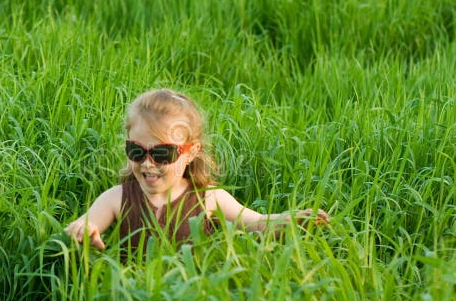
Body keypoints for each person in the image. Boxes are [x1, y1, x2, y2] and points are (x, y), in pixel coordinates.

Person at [65, 88, 329, 259]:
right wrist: (84, 228)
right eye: (136, 151)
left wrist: (289, 220)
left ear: (190, 152)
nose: (147, 163)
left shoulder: (209, 199)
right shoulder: (117, 198)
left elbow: (255, 223)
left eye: (162, 154)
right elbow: (90, 221)